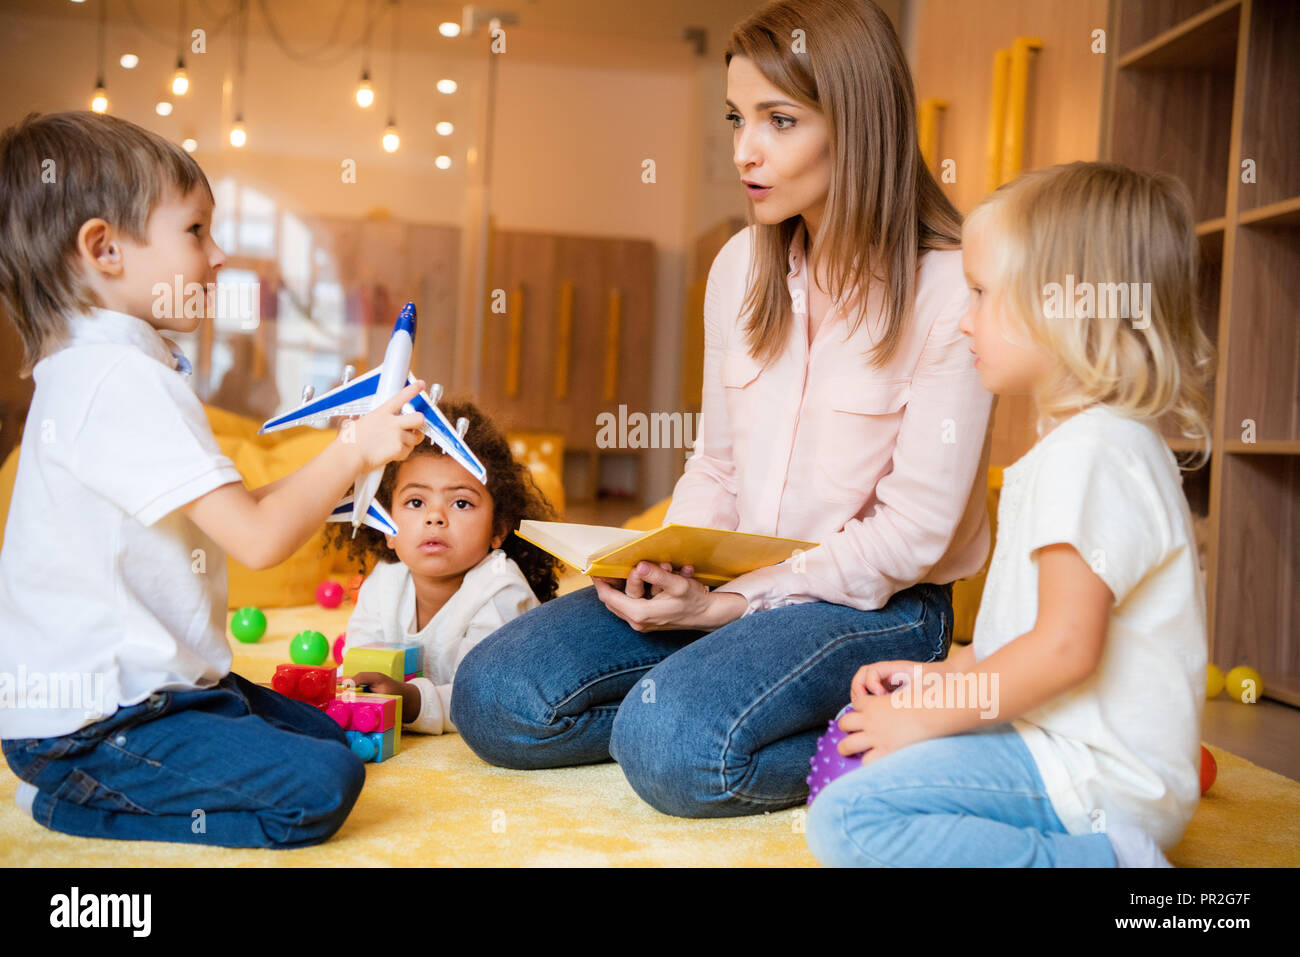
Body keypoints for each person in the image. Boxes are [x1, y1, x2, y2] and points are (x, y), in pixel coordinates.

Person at [451, 0, 994, 817]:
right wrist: (676, 567)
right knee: (490, 694)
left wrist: (735, 606)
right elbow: (717, 462)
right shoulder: (741, 266)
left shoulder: (952, 288)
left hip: (881, 606)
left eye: (780, 120)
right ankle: (697, 705)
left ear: (859, 122)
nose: (745, 151)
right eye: (739, 118)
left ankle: (914, 731)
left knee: (675, 750)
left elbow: (913, 532)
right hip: (734, 587)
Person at [0, 111, 426, 847]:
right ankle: (74, 802)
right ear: (104, 249)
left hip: (148, 696)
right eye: (196, 231)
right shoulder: (118, 379)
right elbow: (259, 541)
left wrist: (345, 455)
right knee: (323, 785)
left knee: (325, 736)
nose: (220, 253)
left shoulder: (113, 368)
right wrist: (354, 450)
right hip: (95, 726)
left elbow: (237, 510)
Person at [805, 161, 1214, 866]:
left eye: (981, 294)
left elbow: (1063, 649)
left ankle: (1113, 863)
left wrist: (927, 716)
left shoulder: (1094, 454)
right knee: (884, 787)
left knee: (852, 818)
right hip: (1059, 750)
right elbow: (1023, 638)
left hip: (1092, 774)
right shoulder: (1085, 446)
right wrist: (941, 676)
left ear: (1067, 304)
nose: (964, 320)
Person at [327, 399, 560, 736]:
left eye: (461, 503)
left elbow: (484, 698)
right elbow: (360, 659)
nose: (435, 517)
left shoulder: (500, 590)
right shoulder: (386, 577)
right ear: (386, 526)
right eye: (416, 502)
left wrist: (410, 701)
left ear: (498, 529)